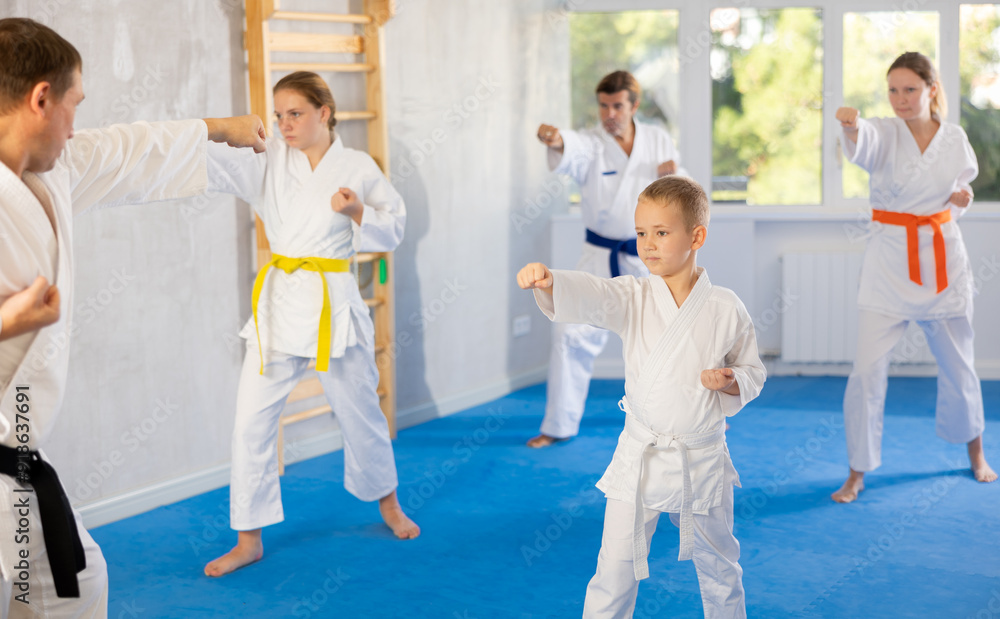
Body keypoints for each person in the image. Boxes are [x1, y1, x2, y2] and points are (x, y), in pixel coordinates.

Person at [0, 17, 265, 618]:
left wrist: (220, 128)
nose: (75, 127)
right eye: (73, 106)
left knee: (76, 587)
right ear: (41, 98)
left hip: (16, 466)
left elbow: (130, 148)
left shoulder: (51, 172)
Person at [517, 176, 765, 618]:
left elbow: (752, 371)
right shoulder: (632, 294)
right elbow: (593, 294)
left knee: (720, 567)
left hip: (700, 458)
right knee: (613, 568)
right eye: (641, 233)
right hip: (640, 456)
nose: (648, 244)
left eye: (662, 233)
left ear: (697, 236)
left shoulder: (726, 307)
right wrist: (551, 281)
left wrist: (729, 379)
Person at [203, 71, 419, 578]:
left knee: (360, 410)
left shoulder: (357, 166)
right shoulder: (267, 159)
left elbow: (396, 226)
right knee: (250, 421)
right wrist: (221, 130)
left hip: (332, 304)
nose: (284, 124)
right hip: (279, 306)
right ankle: (248, 537)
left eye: (294, 113)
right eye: (278, 115)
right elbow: (212, 167)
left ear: (325, 112)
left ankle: (388, 505)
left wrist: (358, 209)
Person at [832, 51, 997, 504]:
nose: (900, 99)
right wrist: (850, 126)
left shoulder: (956, 138)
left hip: (943, 258)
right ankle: (856, 471)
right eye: (893, 90)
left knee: (960, 364)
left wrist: (960, 199)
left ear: (932, 89)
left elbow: (959, 194)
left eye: (910, 89)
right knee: (866, 371)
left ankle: (977, 453)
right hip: (888, 261)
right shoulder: (883, 132)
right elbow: (862, 143)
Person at [529, 70, 683, 448]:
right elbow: (572, 147)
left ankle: (694, 416)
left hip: (651, 258)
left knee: (676, 336)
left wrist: (674, 176)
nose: (609, 113)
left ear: (634, 105)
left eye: (617, 105)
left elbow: (684, 191)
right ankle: (558, 425)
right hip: (599, 258)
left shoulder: (659, 139)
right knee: (568, 334)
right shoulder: (592, 144)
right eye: (603, 105)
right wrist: (556, 139)